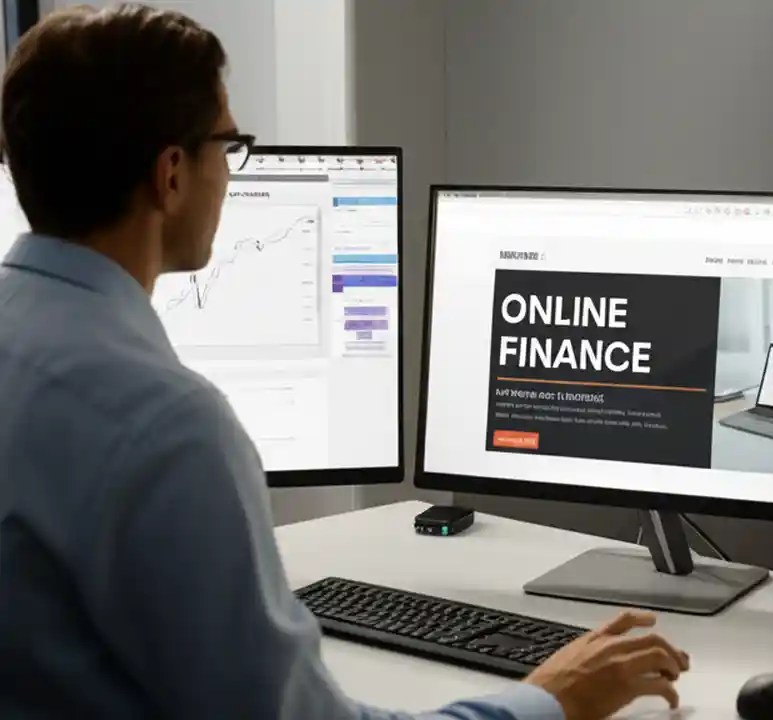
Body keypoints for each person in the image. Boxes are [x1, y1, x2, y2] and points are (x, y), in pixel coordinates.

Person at [0, 5, 688, 719]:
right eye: (228, 146)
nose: (231, 175)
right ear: (170, 175)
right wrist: (550, 701)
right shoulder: (167, 425)